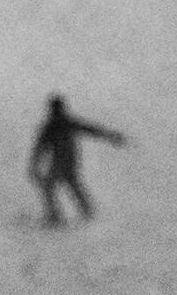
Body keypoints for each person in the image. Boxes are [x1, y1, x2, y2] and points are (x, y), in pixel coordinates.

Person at [28, 92, 126, 225]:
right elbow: (91, 129)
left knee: (52, 186)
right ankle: (87, 212)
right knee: (71, 185)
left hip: (61, 162)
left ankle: (57, 216)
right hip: (69, 161)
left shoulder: (52, 126)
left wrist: (34, 164)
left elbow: (40, 147)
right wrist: (110, 136)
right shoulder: (66, 122)